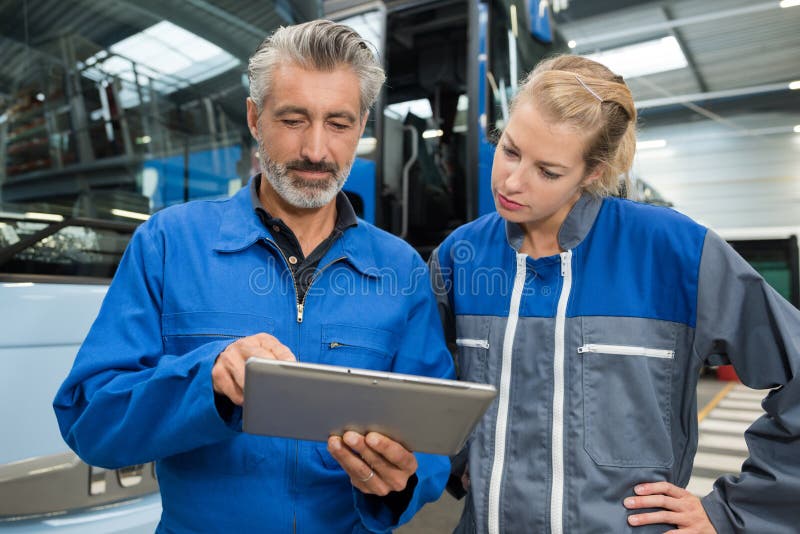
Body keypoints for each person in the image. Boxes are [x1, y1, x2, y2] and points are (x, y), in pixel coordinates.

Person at [54, 20, 454, 533]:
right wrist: (209, 381)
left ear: (363, 125)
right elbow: (91, 421)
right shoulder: (169, 245)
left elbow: (432, 438)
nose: (316, 149)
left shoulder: (399, 270)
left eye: (339, 123)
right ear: (254, 117)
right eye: (293, 119)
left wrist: (403, 482)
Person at [429, 54, 800, 533]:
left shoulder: (674, 253)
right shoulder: (461, 256)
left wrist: (733, 512)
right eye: (511, 150)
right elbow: (423, 379)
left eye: (548, 171)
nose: (513, 181)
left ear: (592, 172)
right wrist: (454, 457)